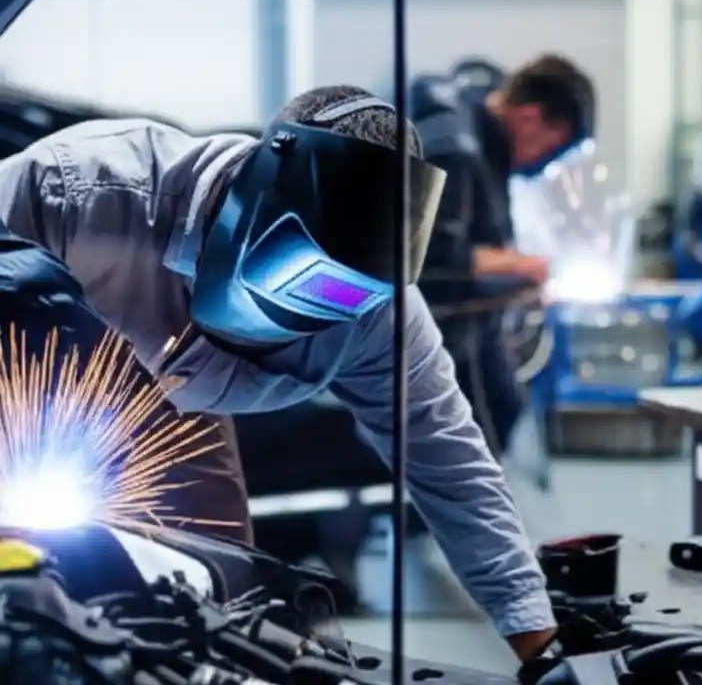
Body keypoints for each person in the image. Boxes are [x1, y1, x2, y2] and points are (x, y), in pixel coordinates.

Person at [0, 86, 556, 661]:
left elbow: (451, 464)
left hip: (179, 413)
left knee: (213, 608)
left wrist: (539, 646)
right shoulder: (80, 190)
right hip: (38, 397)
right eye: (302, 278)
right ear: (252, 198)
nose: (310, 314)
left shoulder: (381, 310)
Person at [416, 54, 594, 457]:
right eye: (552, 147)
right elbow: (433, 260)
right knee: (483, 426)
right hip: (441, 337)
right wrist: (525, 266)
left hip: (467, 333)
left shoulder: (479, 133)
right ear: (531, 118)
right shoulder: (456, 151)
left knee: (505, 405)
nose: (544, 161)